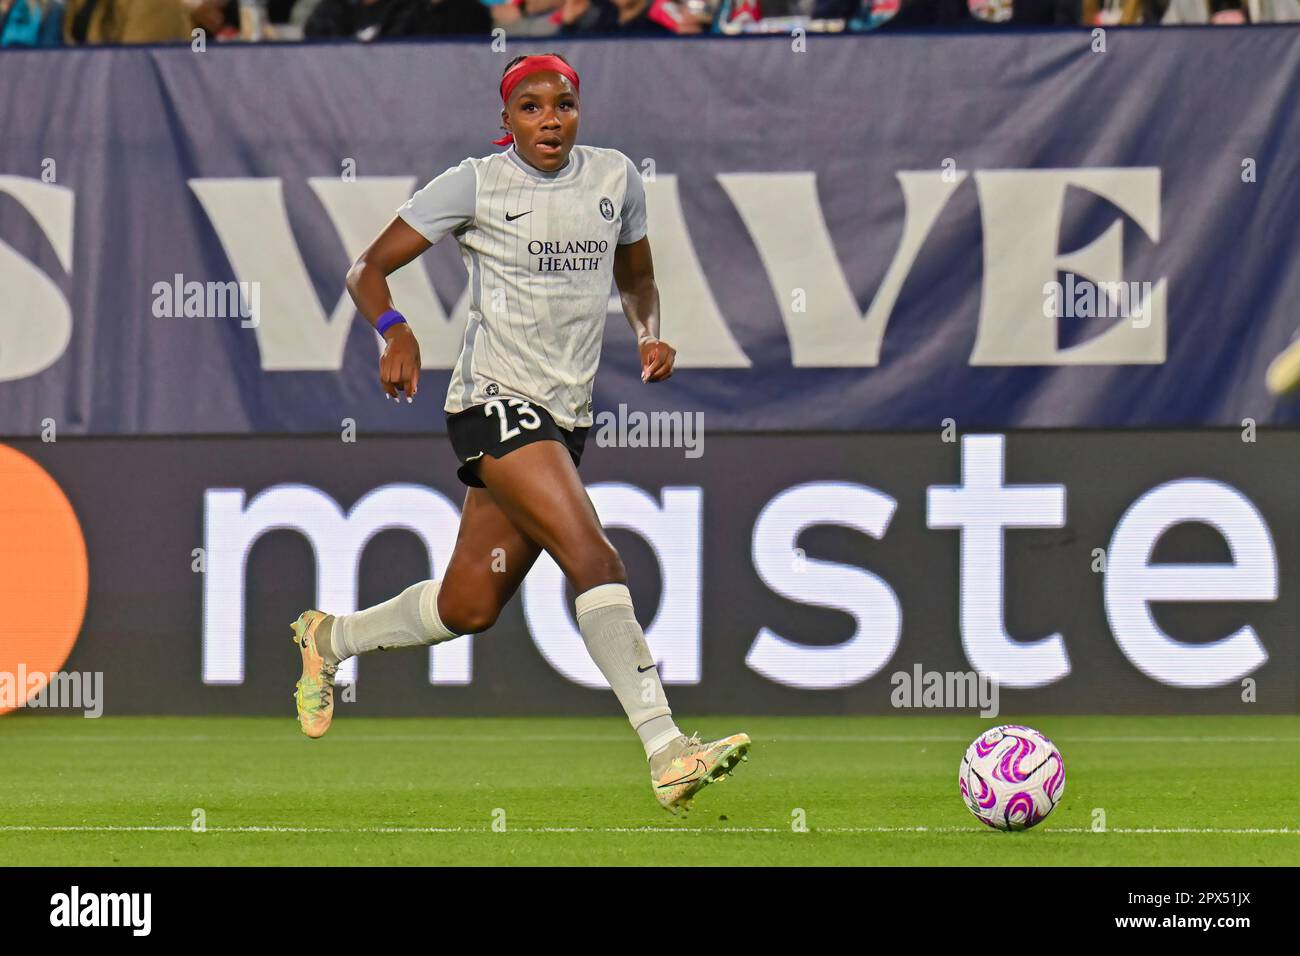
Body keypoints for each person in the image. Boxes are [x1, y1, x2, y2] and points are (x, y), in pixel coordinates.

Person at [289, 53, 751, 814]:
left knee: (469, 604)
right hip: (492, 403)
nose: (550, 120)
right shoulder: (475, 183)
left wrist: (648, 333)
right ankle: (667, 749)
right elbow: (366, 269)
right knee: (592, 553)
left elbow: (636, 277)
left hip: (563, 417)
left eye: (563, 105)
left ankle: (329, 638)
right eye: (531, 108)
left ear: (579, 111)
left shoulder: (615, 179)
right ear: (504, 121)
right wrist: (395, 331)